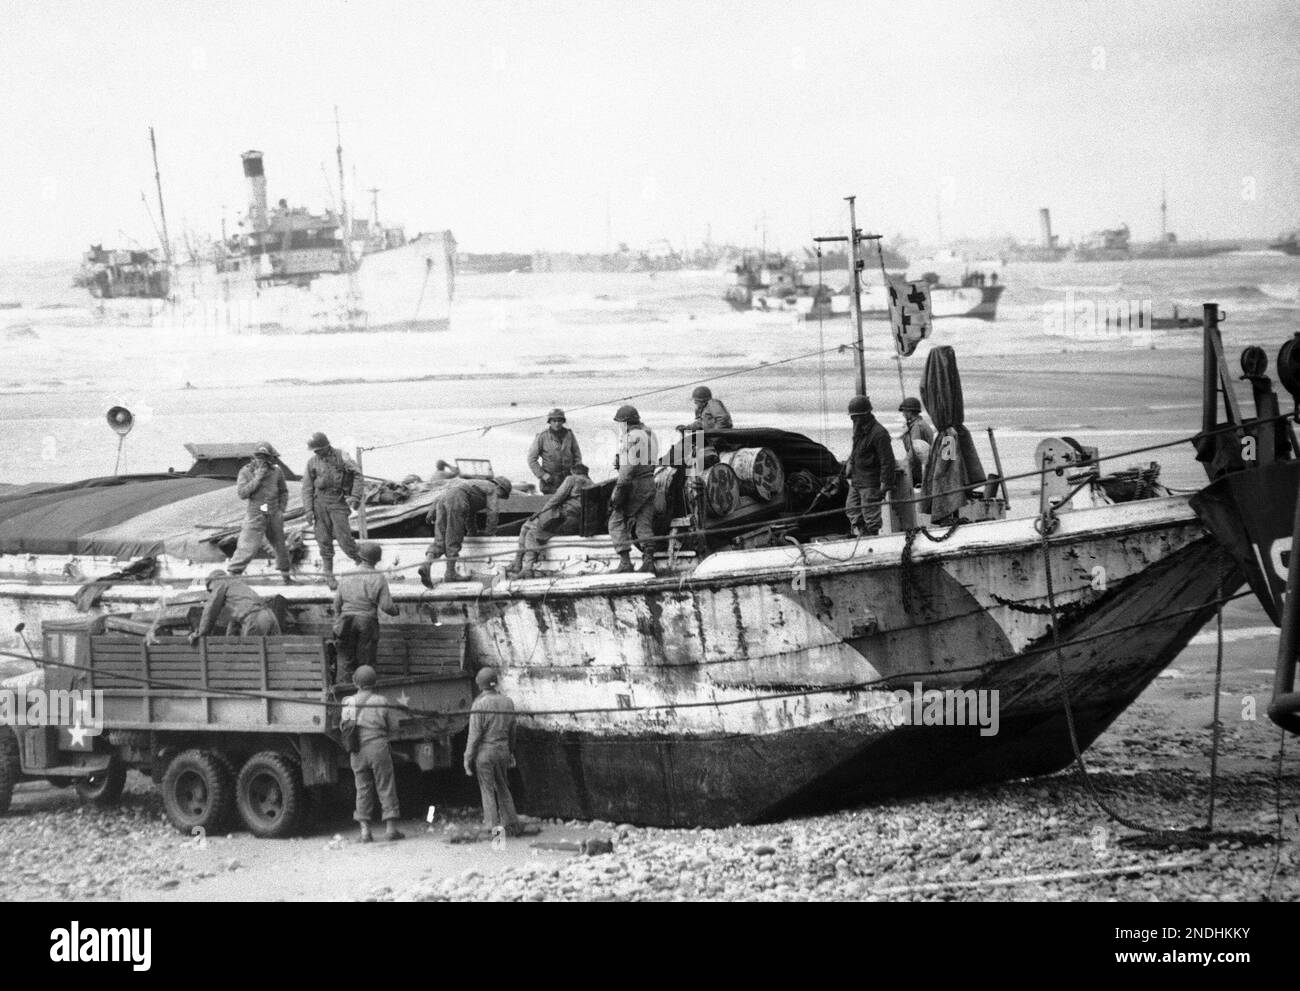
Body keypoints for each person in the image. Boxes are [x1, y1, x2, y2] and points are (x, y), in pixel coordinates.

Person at [340, 665, 405, 843]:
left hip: (358, 750)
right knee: (386, 786)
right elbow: (393, 727)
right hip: (378, 747)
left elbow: (344, 728)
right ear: (374, 682)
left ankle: (365, 832)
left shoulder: (348, 702)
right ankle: (391, 829)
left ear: (355, 682)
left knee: (362, 789)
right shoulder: (382, 701)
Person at [418, 475, 513, 586]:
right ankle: (450, 574)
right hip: (456, 499)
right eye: (502, 495)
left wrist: (473, 533)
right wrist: (489, 533)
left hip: (442, 500)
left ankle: (426, 564)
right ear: (499, 487)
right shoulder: (491, 488)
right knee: (454, 538)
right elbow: (493, 512)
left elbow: (469, 514)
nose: (499, 498)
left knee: (440, 540)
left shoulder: (475, 486)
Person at [506, 463, 595, 578]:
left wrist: (541, 512)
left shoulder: (572, 479)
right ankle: (517, 563)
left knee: (530, 532)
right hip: (578, 523)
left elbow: (556, 499)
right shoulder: (592, 484)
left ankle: (526, 568)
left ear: (573, 472)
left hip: (566, 521)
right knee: (527, 526)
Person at [301, 432, 363, 590]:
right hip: (319, 504)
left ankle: (363, 563)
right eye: (314, 450)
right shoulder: (312, 462)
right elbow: (307, 488)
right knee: (323, 541)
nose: (316, 452)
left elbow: (357, 474)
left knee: (345, 539)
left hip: (337, 501)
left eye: (318, 449)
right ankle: (329, 575)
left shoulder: (342, 456)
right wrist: (308, 510)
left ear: (326, 446)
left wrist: (355, 496)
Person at [464, 666, 520, 837]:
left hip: (485, 753)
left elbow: (474, 736)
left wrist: (467, 758)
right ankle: (511, 824)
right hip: (503, 750)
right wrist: (510, 752)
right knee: (503, 786)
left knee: (487, 789)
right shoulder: (508, 702)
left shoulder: (479, 705)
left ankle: (494, 828)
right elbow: (513, 731)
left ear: (480, 684)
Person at [333, 541, 399, 685]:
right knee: (366, 662)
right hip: (367, 623)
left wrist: (338, 621)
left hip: (345, 622)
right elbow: (387, 606)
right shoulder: (378, 577)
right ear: (377, 560)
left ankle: (343, 694)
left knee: (346, 661)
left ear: (360, 556)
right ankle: (364, 694)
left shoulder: (346, 574)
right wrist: (396, 611)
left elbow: (337, 603)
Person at [227, 441, 293, 584]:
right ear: (254, 457)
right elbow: (242, 493)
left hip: (273, 512)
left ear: (269, 457)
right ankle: (232, 576)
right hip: (256, 512)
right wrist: (257, 478)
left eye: (264, 456)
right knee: (247, 545)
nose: (261, 459)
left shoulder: (276, 471)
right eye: (258, 456)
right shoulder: (246, 471)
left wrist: (282, 509)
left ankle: (286, 577)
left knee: (280, 546)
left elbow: (283, 492)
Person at [608, 405, 657, 574]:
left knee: (615, 520)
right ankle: (649, 561)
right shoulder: (649, 434)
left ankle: (625, 562)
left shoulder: (630, 438)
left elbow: (628, 471)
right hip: (650, 482)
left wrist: (618, 492)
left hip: (634, 485)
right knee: (644, 523)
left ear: (625, 423)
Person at [843, 395, 896, 537]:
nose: (853, 420)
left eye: (856, 417)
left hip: (870, 483)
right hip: (857, 480)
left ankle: (871, 537)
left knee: (871, 516)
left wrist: (885, 483)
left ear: (866, 414)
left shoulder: (879, 434)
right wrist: (850, 463)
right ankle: (862, 534)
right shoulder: (859, 429)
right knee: (852, 509)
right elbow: (855, 450)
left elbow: (887, 461)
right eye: (852, 417)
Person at [188, 570, 280, 643]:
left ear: (212, 582)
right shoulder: (237, 585)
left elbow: (210, 610)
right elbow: (234, 621)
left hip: (255, 618)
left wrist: (200, 633)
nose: (211, 593)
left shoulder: (220, 582)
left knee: (251, 658)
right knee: (276, 657)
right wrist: (229, 642)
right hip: (270, 616)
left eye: (210, 590)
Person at [525, 409, 582, 495]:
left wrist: (576, 473)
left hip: (568, 479)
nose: (557, 423)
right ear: (550, 422)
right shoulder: (542, 437)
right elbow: (531, 459)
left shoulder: (569, 435)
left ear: (563, 421)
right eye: (554, 421)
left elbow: (577, 456)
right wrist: (543, 475)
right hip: (550, 482)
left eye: (559, 420)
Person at [898, 397, 935, 489]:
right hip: (921, 467)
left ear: (909, 412)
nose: (903, 414)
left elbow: (914, 451)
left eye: (904, 412)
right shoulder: (916, 425)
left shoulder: (917, 427)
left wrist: (903, 466)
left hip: (921, 470)